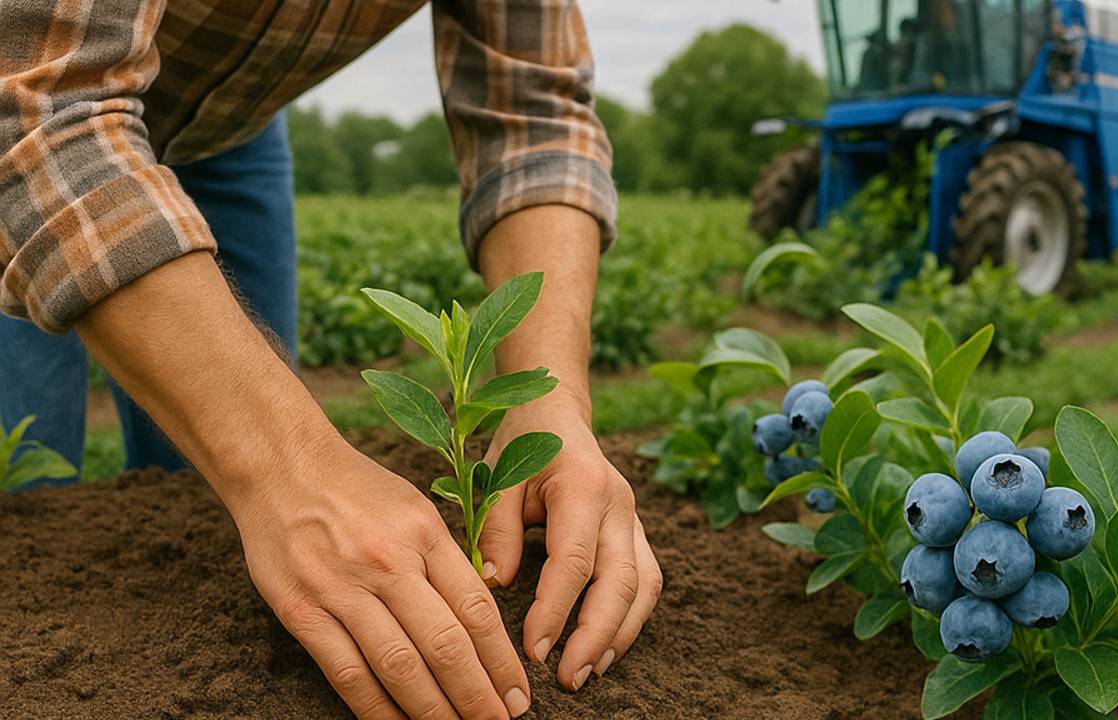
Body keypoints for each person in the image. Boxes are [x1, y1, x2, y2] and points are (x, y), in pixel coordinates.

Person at [0, 1, 662, 718]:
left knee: (216, 499)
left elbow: (536, 114)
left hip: (231, 126)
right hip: (31, 87)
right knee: (33, 481)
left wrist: (549, 403)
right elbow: (30, 100)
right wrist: (290, 464)